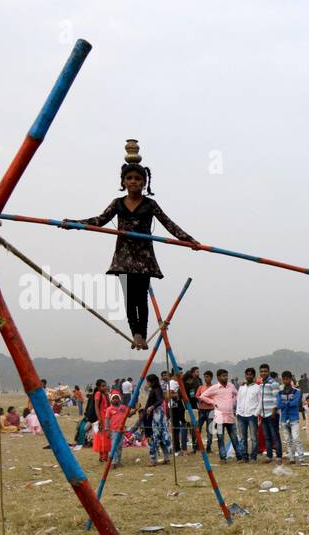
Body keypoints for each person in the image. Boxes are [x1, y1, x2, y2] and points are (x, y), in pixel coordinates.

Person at [67, 141, 198, 349]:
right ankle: (136, 334)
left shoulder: (150, 204)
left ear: (144, 182)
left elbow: (168, 224)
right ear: (123, 181)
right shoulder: (118, 203)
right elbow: (99, 221)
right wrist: (75, 224)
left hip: (144, 257)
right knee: (130, 297)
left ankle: (142, 334)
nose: (134, 181)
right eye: (129, 178)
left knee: (141, 298)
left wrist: (189, 240)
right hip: (124, 256)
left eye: (138, 178)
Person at [199, 369, 240, 462]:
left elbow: (237, 394)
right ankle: (223, 457)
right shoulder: (214, 388)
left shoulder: (231, 386)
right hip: (219, 417)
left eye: (226, 375)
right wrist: (213, 402)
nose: (225, 377)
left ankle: (239, 456)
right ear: (218, 377)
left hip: (230, 417)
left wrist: (233, 402)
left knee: (234, 437)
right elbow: (202, 396)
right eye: (223, 376)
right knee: (220, 438)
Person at [142, 374, 172, 465]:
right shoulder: (155, 389)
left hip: (156, 417)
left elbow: (160, 400)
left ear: (152, 382)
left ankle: (153, 460)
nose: (147, 383)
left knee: (153, 438)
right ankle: (166, 458)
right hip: (156, 416)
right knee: (161, 438)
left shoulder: (157, 390)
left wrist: (152, 407)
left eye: (148, 381)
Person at [276, 371, 302, 464]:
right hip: (284, 419)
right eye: (284, 379)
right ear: (282, 380)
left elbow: (295, 403)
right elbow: (278, 404)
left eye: (287, 378)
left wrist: (285, 403)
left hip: (294, 418)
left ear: (291, 379)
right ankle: (291, 458)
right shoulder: (279, 392)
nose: (286, 381)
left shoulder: (297, 391)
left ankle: (301, 457)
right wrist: (289, 403)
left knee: (296, 438)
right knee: (288, 440)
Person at [259, 363, 282, 463]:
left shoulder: (273, 383)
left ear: (268, 372)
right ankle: (269, 456)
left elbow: (277, 398)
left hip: (271, 414)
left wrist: (274, 411)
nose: (263, 373)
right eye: (261, 371)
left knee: (275, 436)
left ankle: (279, 456)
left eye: (265, 371)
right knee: (267, 436)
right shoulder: (260, 384)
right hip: (263, 414)